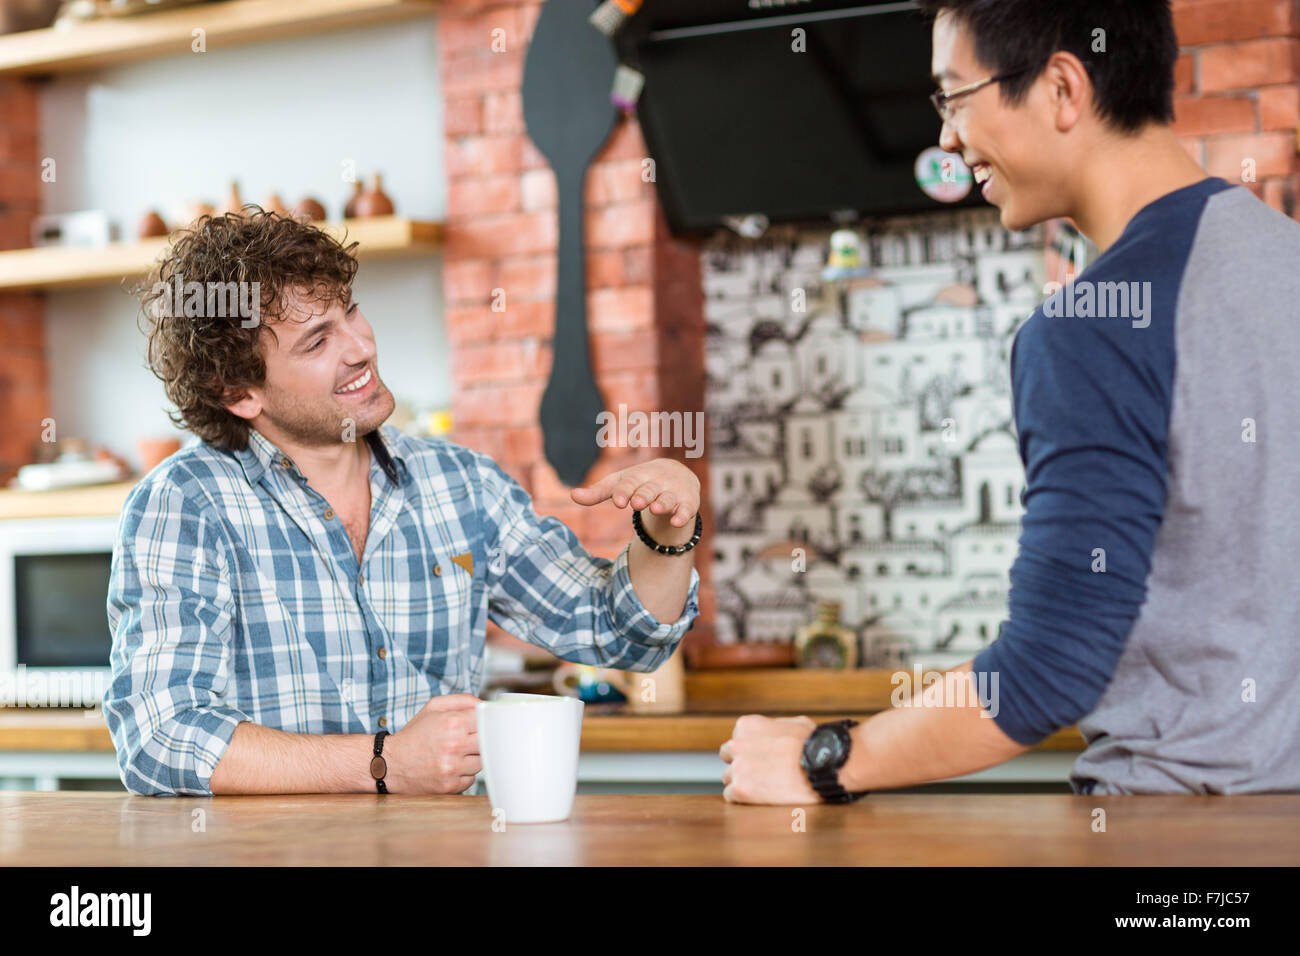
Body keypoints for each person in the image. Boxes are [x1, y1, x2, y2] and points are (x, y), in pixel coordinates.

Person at [722, 0, 1300, 801]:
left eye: (954, 96)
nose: (946, 139)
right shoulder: (1284, 260)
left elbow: (1049, 667)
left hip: (1171, 843)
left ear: (1064, 87)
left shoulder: (1090, 329)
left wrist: (823, 760)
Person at [105, 208, 701, 796]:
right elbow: (159, 736)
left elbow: (621, 634)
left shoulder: (461, 485)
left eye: (351, 313)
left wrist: (665, 533)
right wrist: (382, 762)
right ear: (240, 394)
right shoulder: (185, 506)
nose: (361, 348)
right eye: (318, 341)